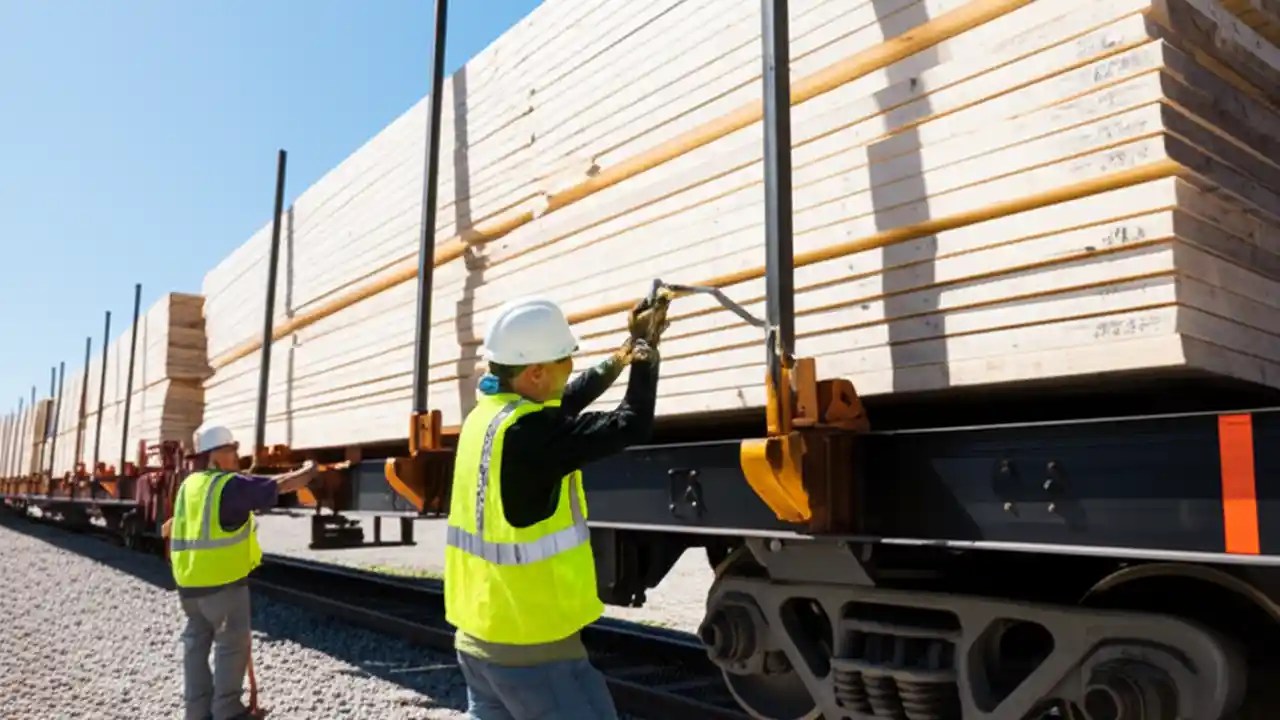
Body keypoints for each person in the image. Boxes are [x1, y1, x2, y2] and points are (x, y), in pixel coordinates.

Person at [444, 294, 668, 719]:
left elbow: (561, 401)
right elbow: (631, 423)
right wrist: (648, 357)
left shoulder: (486, 417)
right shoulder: (531, 436)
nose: (571, 366)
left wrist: (621, 357)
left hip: (477, 641)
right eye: (567, 358)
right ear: (534, 373)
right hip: (531, 649)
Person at [163, 423, 317, 720]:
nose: (236, 456)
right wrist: (310, 468)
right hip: (223, 587)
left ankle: (196, 712)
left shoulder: (189, 486)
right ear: (213, 456)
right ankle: (228, 711)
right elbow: (281, 485)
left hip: (189, 588)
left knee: (195, 645)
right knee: (231, 646)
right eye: (230, 450)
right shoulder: (229, 486)